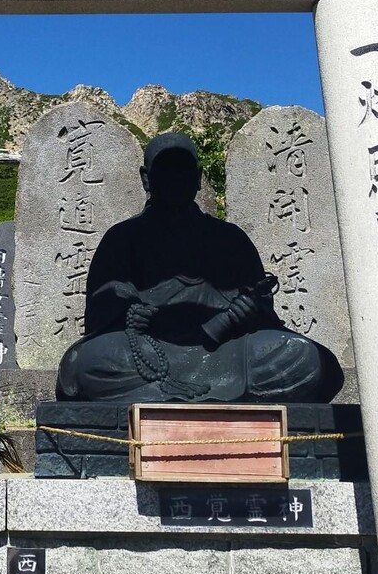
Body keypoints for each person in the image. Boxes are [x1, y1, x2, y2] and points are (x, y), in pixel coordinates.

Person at [55, 132, 342, 404]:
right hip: (149, 352)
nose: (176, 178)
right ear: (146, 178)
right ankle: (179, 396)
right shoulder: (122, 238)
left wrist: (247, 311)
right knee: (82, 364)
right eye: (166, 170)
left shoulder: (229, 238)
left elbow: (261, 307)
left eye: (184, 170)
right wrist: (129, 314)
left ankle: (173, 397)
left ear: (199, 178)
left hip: (226, 351)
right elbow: (103, 305)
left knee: (310, 360)